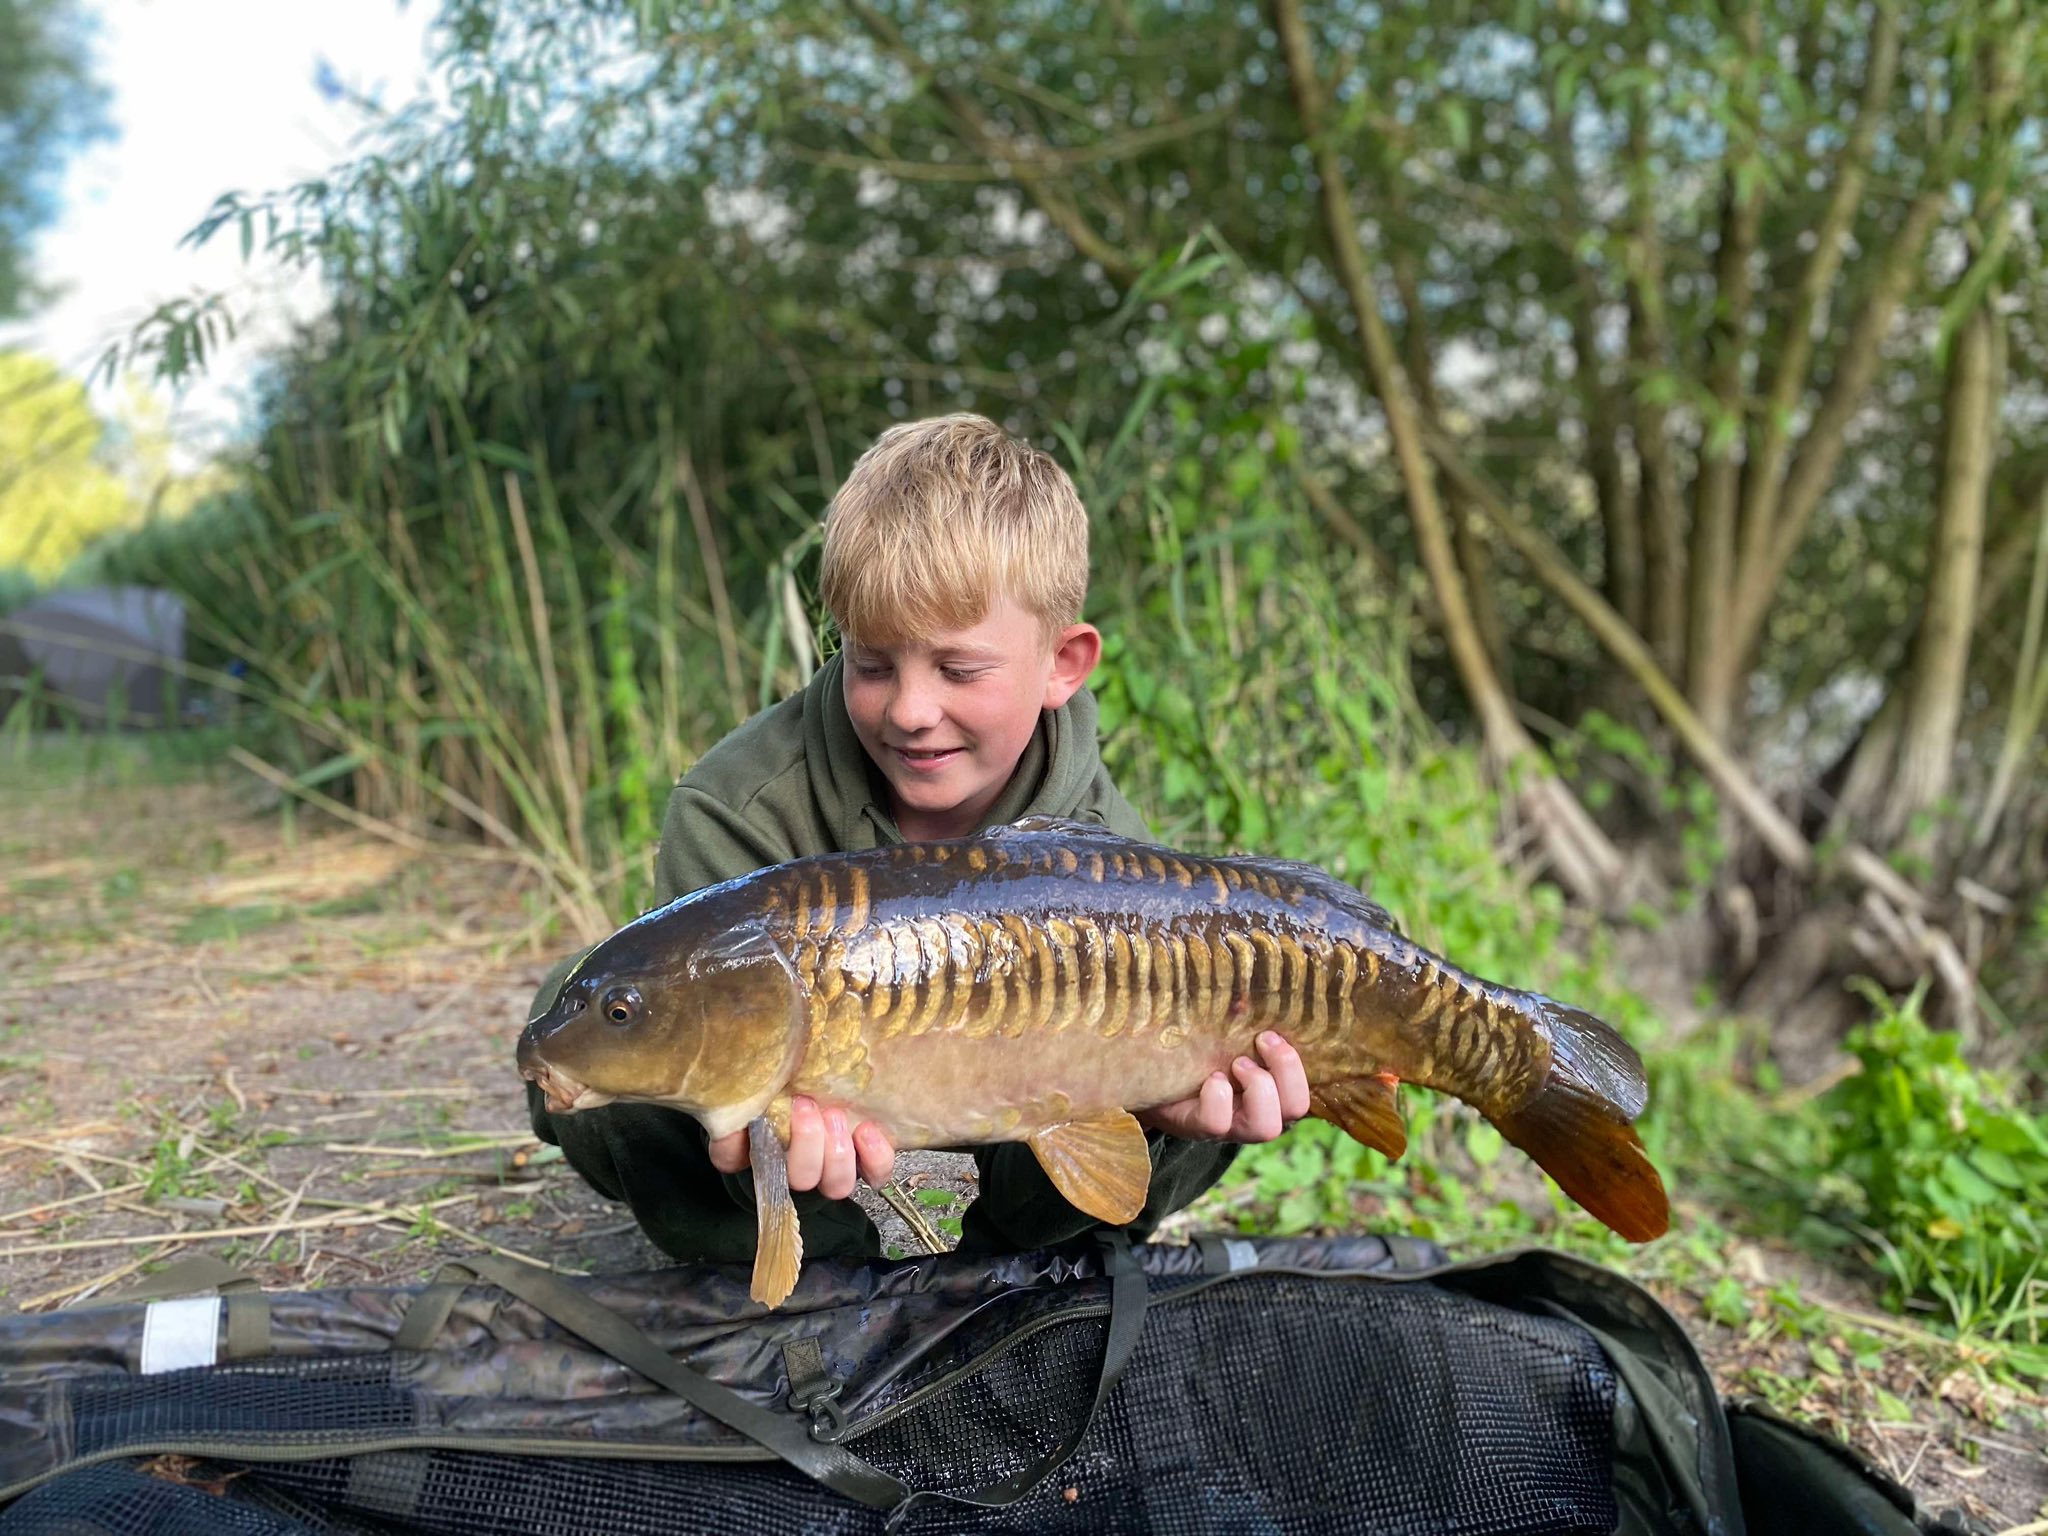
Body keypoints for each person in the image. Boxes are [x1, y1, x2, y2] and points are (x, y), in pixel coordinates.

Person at [523, 412, 1310, 1266]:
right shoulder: (737, 806)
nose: (909, 709)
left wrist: (1160, 1115)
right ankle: (834, 1246)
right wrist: (757, 1143)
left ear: (1064, 665)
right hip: (800, 1146)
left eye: (959, 670)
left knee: (1224, 1087)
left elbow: (1119, 1140)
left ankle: (983, 1254)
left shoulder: (1102, 847)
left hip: (1020, 1163)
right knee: (623, 1046)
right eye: (872, 664)